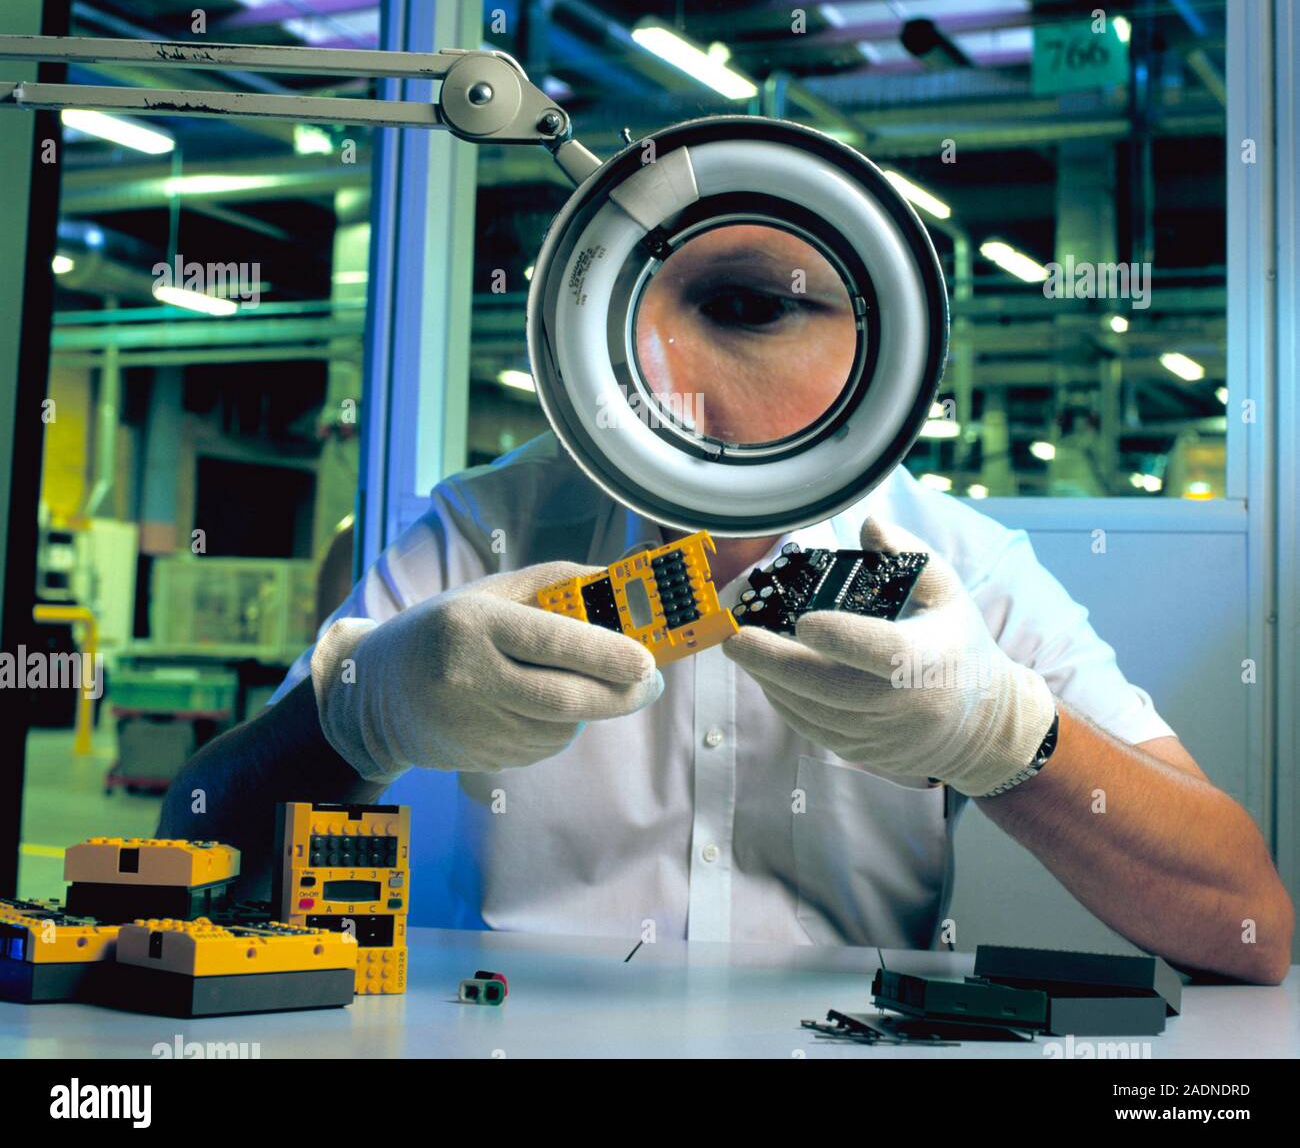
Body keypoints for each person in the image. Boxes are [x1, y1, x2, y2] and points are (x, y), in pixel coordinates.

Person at [160, 229, 1292, 982]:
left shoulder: (962, 564)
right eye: (631, 311)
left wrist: (1006, 737)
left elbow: (1249, 924)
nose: (664, 365)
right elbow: (195, 830)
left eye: (748, 306)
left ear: (875, 348)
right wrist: (360, 712)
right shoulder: (480, 528)